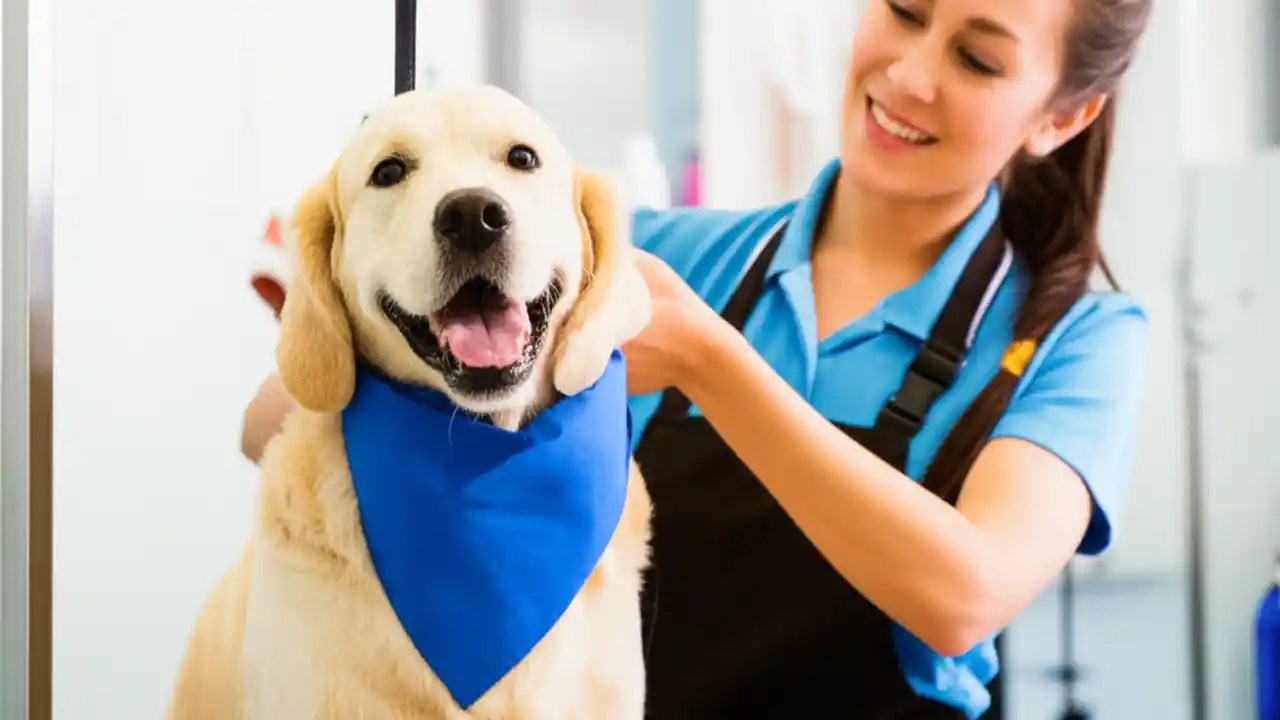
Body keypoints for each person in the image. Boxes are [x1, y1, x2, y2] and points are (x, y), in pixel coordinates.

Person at [241, 0, 1153, 717]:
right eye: (906, 12)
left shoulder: (1080, 336)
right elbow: (265, 424)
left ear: (1064, 115)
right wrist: (358, 335)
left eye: (978, 58)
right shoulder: (671, 253)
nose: (910, 75)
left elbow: (967, 594)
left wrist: (712, 361)